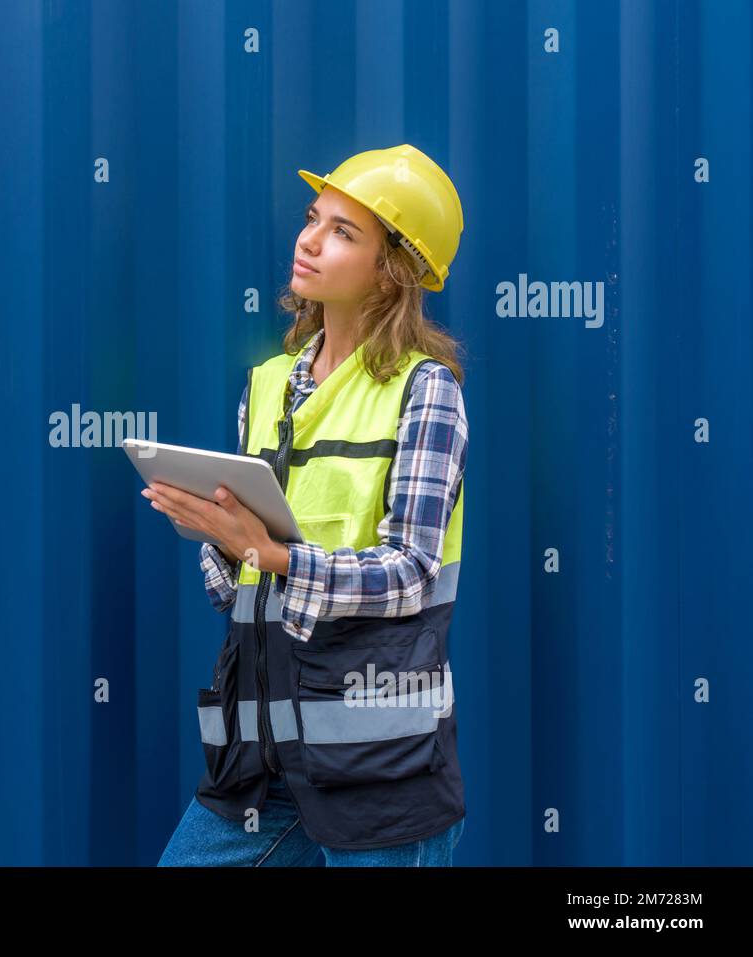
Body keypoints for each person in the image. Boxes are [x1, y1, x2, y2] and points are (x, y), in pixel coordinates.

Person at [144, 145, 469, 866]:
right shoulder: (265, 384)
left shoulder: (425, 390)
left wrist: (270, 551)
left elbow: (412, 570)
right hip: (260, 761)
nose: (309, 239)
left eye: (343, 232)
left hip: (380, 770)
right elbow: (237, 584)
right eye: (312, 218)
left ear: (394, 271)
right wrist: (224, 541)